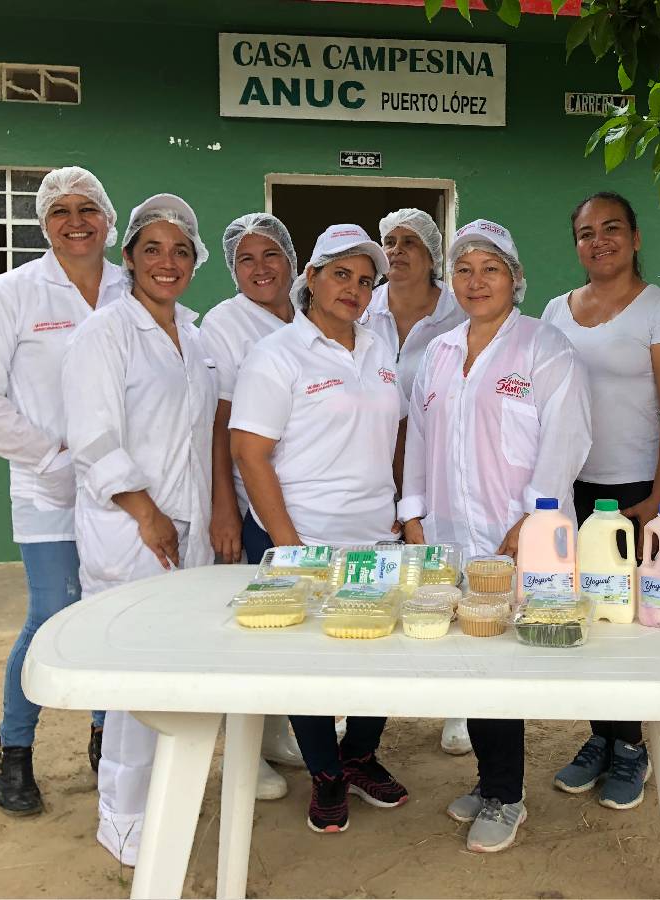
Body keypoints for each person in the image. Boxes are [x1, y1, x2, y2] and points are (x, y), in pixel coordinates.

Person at [400, 218, 591, 852]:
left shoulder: (544, 348)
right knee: (470, 659)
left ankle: (507, 796)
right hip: (450, 532)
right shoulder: (438, 352)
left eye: (490, 269)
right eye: (464, 269)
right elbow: (419, 437)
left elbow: (568, 438)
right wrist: (412, 511)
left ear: (515, 278)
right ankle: (490, 781)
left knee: (502, 665)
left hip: (517, 537)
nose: (476, 281)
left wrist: (534, 515)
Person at [0, 166, 124, 815]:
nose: (76, 221)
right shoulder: (10, 294)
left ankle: (108, 737)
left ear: (108, 219)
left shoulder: (132, 288)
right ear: (43, 224)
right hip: (47, 486)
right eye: (60, 211)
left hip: (124, 489)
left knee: (112, 611)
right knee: (54, 610)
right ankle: (16, 747)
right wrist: (49, 456)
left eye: (88, 208)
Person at [230, 224, 409, 835]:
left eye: (365, 280)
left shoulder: (380, 349)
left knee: (378, 652)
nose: (354, 289)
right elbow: (249, 451)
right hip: (302, 534)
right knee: (306, 662)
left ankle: (358, 756)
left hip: (374, 534)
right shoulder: (277, 354)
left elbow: (395, 433)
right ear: (311, 278)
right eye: (341, 275)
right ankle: (326, 772)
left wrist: (399, 504)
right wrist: (288, 544)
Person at [61, 193, 216, 865]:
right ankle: (123, 821)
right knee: (134, 679)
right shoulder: (105, 332)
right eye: (152, 248)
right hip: (133, 532)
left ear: (195, 261)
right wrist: (148, 514)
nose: (167, 261)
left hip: (188, 531)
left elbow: (199, 437)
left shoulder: (196, 336)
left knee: (175, 671)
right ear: (127, 257)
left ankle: (165, 801)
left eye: (180, 250)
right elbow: (93, 436)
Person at [542, 191, 660, 811]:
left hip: (634, 491)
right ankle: (601, 736)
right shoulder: (555, 310)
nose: (598, 240)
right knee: (584, 616)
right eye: (586, 232)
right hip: (568, 491)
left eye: (611, 228)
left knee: (628, 621)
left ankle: (631, 745)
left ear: (635, 238)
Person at [199, 212, 301, 800]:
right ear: (232, 269)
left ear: (292, 260)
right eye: (245, 259)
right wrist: (223, 508)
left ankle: (276, 735)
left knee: (287, 623)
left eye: (270, 255)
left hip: (301, 497)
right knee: (250, 628)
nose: (260, 268)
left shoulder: (306, 313)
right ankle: (244, 753)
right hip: (249, 502)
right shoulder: (224, 323)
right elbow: (220, 426)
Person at [367, 207, 470, 756]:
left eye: (410, 242)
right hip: (368, 470)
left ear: (432, 256)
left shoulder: (459, 311)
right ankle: (365, 712)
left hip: (442, 471)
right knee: (380, 589)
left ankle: (459, 706)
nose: (397, 251)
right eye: (389, 241)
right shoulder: (364, 309)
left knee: (449, 581)